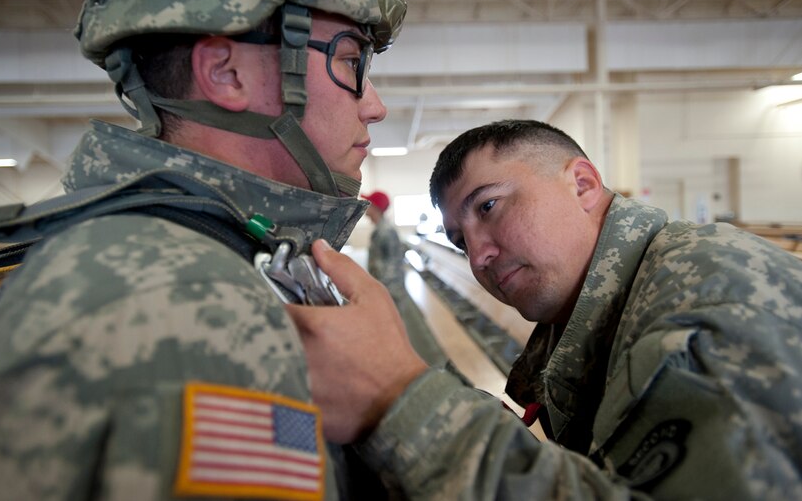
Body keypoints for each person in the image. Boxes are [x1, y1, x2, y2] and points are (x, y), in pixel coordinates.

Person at [0, 0, 406, 498]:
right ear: (226, 74)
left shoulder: (195, 251)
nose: (375, 106)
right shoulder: (191, 294)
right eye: (350, 62)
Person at [289, 119, 802, 499]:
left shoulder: (706, 299)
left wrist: (405, 404)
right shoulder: (591, 319)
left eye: (488, 206)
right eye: (461, 241)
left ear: (581, 184)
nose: (480, 255)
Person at [362, 190, 447, 366]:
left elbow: (391, 266)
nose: (366, 209)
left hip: (391, 290)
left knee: (408, 332)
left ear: (376, 208)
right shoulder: (381, 229)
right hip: (388, 289)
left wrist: (382, 293)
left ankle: (424, 366)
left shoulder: (385, 231)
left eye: (369, 205)